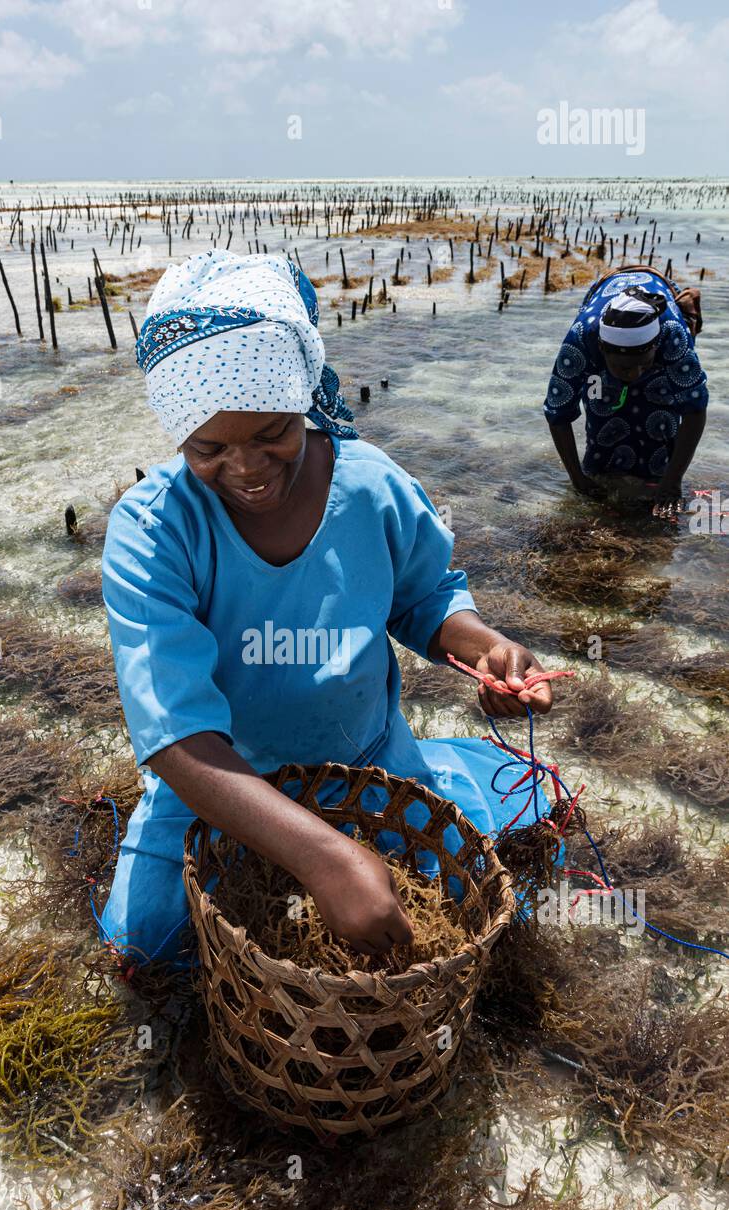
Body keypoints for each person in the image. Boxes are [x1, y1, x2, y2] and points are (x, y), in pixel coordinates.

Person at [100, 250, 558, 966]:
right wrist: (326, 860)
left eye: (271, 434)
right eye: (208, 447)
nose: (246, 470)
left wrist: (482, 648)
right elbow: (175, 734)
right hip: (218, 779)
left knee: (461, 910)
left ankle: (430, 766)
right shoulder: (152, 531)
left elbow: (425, 598)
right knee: (145, 943)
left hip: (363, 756)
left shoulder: (370, 486)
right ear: (177, 435)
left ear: (303, 397)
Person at [544, 268, 708, 518]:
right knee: (602, 412)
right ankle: (601, 473)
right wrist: (577, 478)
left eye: (644, 364)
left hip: (659, 350)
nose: (635, 374)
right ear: (601, 349)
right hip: (601, 335)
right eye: (625, 367)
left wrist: (673, 481)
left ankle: (658, 476)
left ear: (656, 347)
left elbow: (694, 408)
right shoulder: (581, 340)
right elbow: (558, 412)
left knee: (661, 418)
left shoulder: (672, 335)